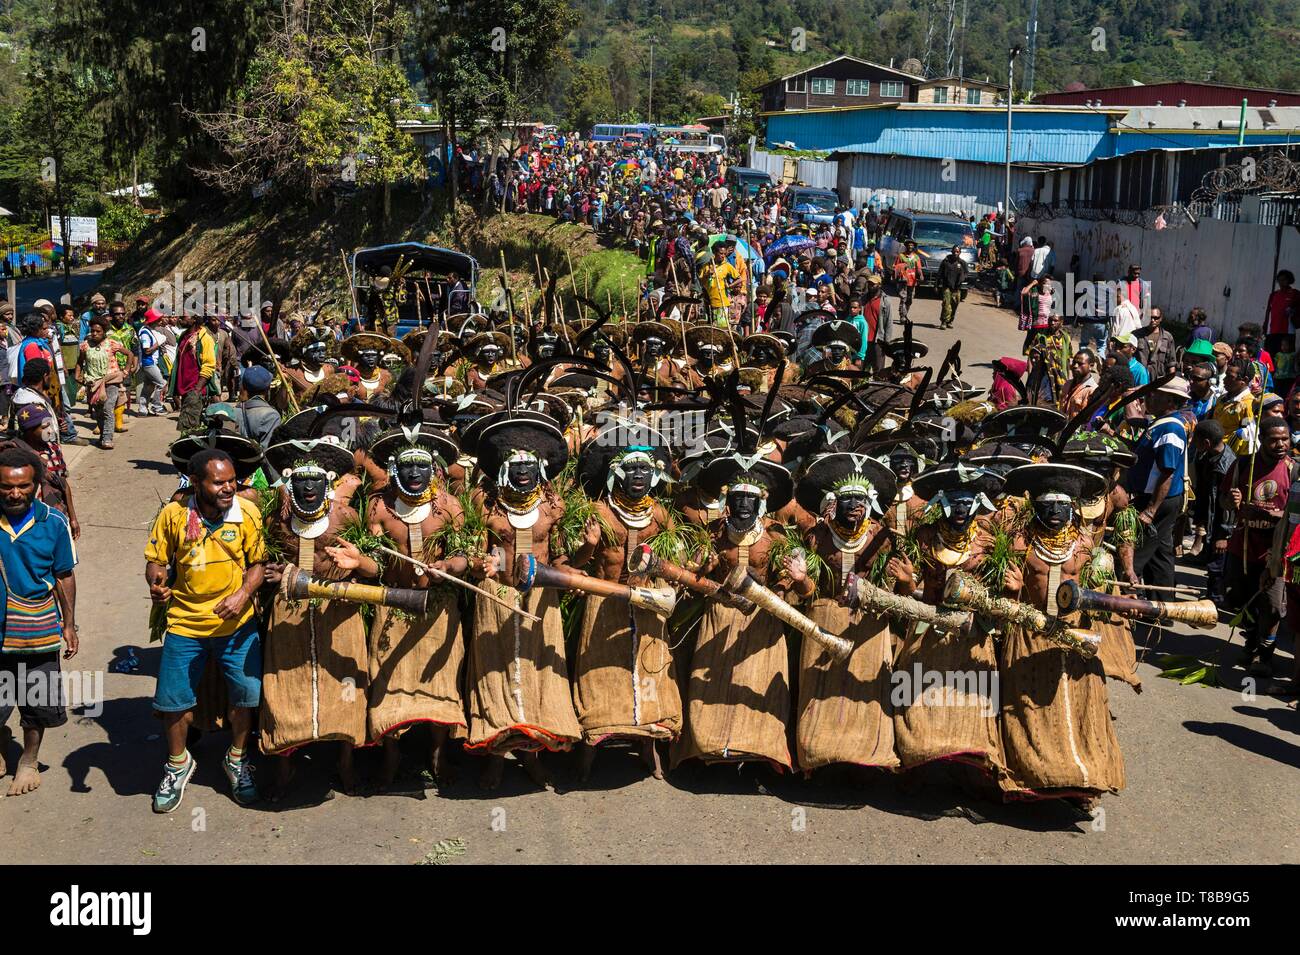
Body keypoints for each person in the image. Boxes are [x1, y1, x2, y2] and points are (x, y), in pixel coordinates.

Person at [144, 447, 266, 812]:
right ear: (196, 483)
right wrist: (157, 582)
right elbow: (155, 560)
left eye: (231, 480)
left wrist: (244, 594)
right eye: (218, 482)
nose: (228, 488)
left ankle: (237, 758)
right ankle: (178, 765)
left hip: (237, 626)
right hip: (184, 623)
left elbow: (258, 564)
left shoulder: (248, 514)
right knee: (172, 702)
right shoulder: (173, 515)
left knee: (246, 697)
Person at [0, 445, 78, 797]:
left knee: (36, 703)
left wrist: (69, 624)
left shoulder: (53, 522)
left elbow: (63, 575)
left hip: (37, 627)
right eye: (6, 487)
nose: (14, 493)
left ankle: (28, 761)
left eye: (22, 486)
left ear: (35, 485)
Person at [1126, 377, 1190, 599]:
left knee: (1137, 551)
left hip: (1158, 500)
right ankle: (1162, 603)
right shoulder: (1160, 422)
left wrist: (1151, 510)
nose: (1149, 397)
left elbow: (1167, 472)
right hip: (1156, 498)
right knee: (1161, 551)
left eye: (1155, 394)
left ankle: (1126, 595)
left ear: (1170, 401)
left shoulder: (1171, 428)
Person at [1189, 418, 1234, 600]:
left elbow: (1229, 506)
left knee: (1218, 562)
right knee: (1212, 559)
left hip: (1221, 523)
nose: (1193, 444)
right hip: (1210, 518)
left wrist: (1224, 534)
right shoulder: (1205, 456)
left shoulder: (1227, 466)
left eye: (1195, 440)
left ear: (1206, 443)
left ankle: (1215, 599)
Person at [75, 317, 131, 450]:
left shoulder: (111, 343)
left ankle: (107, 438)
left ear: (104, 332)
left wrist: (126, 371)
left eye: (98, 331)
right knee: (98, 412)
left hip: (111, 381)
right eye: (92, 331)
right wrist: (77, 375)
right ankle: (102, 436)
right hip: (93, 383)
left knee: (107, 408)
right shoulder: (85, 345)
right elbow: (80, 361)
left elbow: (129, 354)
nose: (94, 333)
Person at [169, 310, 219, 433]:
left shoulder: (205, 339)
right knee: (189, 426)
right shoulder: (183, 336)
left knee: (188, 427)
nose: (180, 319)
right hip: (184, 389)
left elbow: (209, 365)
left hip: (194, 388)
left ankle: (189, 451)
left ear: (195, 319)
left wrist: (197, 389)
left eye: (183, 317)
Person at [233, 364, 280, 448]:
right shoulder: (271, 416)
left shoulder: (233, 411)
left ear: (244, 386)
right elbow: (269, 452)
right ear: (268, 389)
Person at [136, 310, 169, 415]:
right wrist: (159, 343)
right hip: (148, 363)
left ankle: (142, 409)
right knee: (162, 384)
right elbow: (147, 350)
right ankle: (157, 407)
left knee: (148, 386)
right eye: (158, 320)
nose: (160, 322)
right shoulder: (145, 332)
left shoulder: (148, 330)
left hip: (149, 363)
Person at [1264, 269, 1299, 354]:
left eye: (1284, 280)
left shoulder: (1295, 294)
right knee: (1271, 356)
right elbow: (1268, 312)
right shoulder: (1274, 295)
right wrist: (1265, 326)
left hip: (1287, 332)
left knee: (1286, 359)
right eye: (1279, 280)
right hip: (1273, 331)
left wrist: (1293, 311)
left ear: (1289, 280)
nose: (1281, 282)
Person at [935, 245, 967, 330]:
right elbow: (939, 274)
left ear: (960, 253)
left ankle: (950, 321)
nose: (955, 253)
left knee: (954, 304)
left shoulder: (962, 263)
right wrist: (936, 285)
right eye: (954, 251)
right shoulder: (945, 262)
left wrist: (961, 279)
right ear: (951, 252)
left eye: (957, 252)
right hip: (947, 286)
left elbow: (966, 273)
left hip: (957, 288)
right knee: (946, 304)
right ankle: (944, 321)